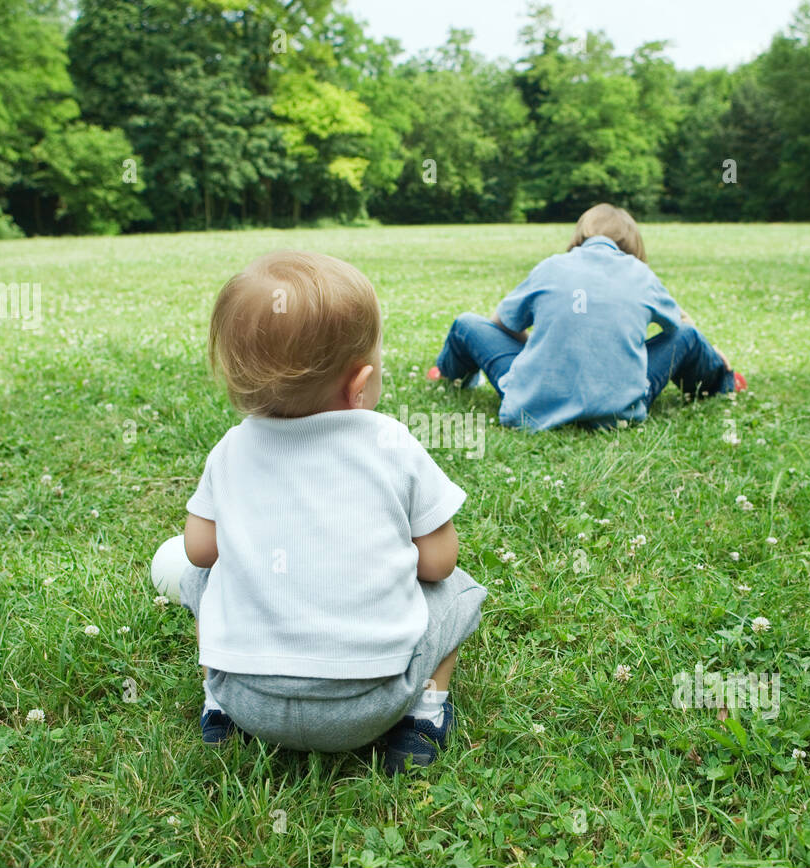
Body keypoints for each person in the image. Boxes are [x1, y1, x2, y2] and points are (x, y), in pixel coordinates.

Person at [172, 250, 487, 774]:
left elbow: (200, 551)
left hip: (248, 702)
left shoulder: (231, 448)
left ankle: (215, 708)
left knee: (201, 579)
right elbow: (438, 564)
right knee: (460, 592)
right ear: (359, 383)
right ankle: (423, 716)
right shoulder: (391, 442)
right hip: (371, 706)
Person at [429, 203, 746, 431]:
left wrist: (537, 348)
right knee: (688, 338)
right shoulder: (640, 273)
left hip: (531, 404)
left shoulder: (552, 265)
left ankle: (450, 376)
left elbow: (500, 323)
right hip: (621, 408)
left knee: (466, 324)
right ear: (632, 243)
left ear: (581, 234)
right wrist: (711, 349)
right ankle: (721, 383)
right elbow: (681, 327)